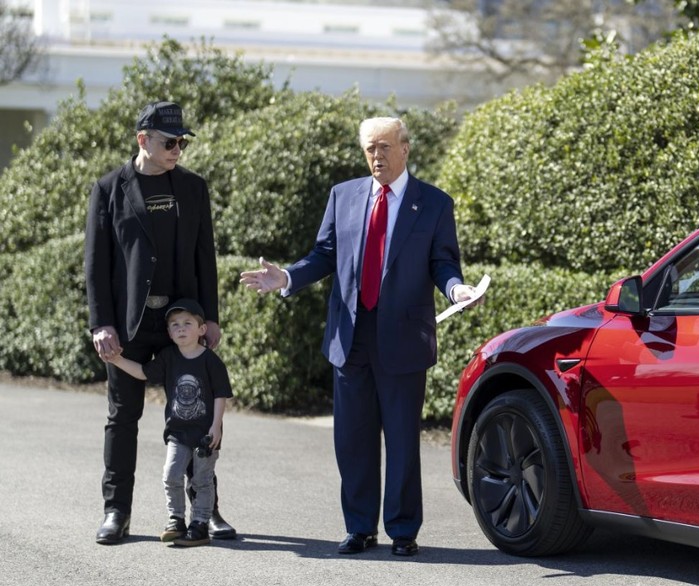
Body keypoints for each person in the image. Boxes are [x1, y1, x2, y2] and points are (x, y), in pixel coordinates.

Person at [239, 116, 480, 557]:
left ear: (406, 148)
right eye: (370, 148)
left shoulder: (434, 204)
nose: (377, 156)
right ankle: (359, 528)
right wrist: (288, 277)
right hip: (350, 337)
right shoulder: (343, 195)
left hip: (404, 338)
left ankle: (404, 532)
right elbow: (325, 253)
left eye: (385, 147)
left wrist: (456, 288)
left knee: (403, 440)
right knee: (353, 438)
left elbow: (443, 263)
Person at [85, 100, 237, 544]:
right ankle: (117, 512)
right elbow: (95, 265)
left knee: (194, 417)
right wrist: (102, 323)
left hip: (183, 325)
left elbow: (204, 257)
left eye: (182, 142)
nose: (177, 149)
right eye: (169, 142)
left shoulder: (192, 188)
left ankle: (205, 512)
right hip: (128, 326)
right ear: (142, 140)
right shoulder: (109, 188)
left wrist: (209, 317)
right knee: (122, 416)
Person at [107, 299, 233, 546]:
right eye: (175, 324)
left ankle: (200, 524)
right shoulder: (168, 357)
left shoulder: (211, 361)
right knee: (171, 475)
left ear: (201, 329)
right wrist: (116, 360)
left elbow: (221, 394)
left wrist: (216, 426)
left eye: (187, 323)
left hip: (205, 434)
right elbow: (143, 372)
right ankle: (176, 520)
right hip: (177, 432)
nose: (181, 328)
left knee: (202, 481)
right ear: (168, 332)